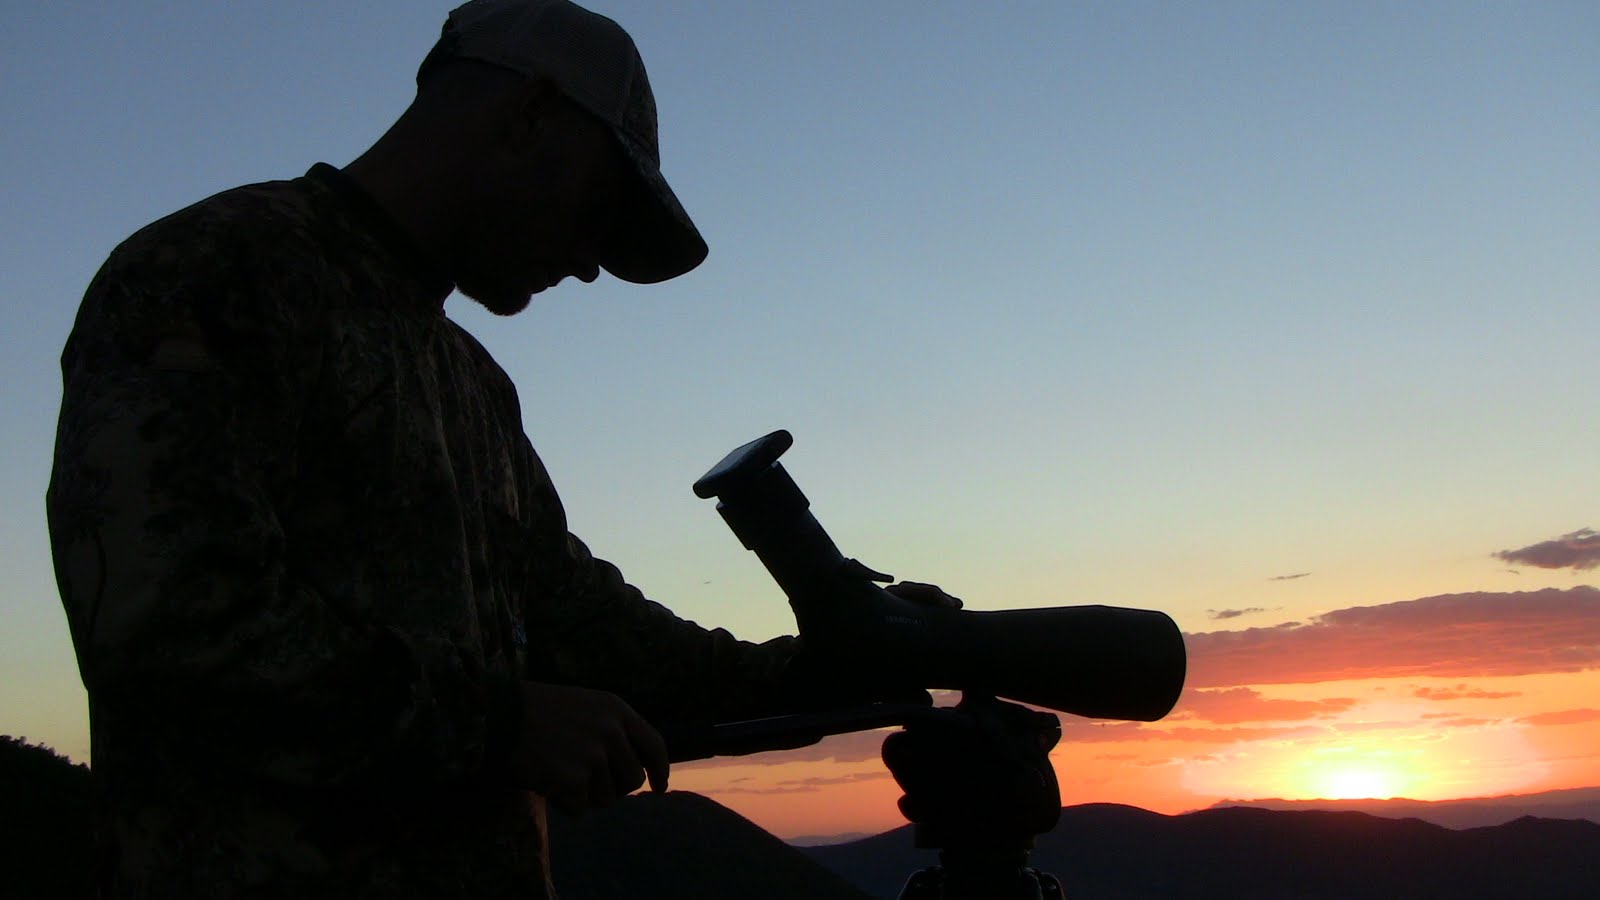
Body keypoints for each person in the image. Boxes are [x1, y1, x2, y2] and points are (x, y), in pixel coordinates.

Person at [46, 1, 951, 897]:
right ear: (527, 115)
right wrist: (496, 724)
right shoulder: (214, 271)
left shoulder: (470, 380)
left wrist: (809, 675)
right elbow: (168, 627)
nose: (593, 260)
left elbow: (583, 626)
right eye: (601, 205)